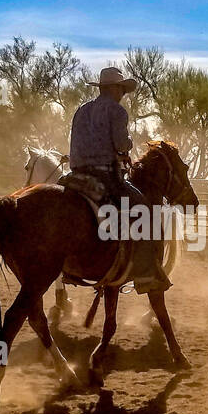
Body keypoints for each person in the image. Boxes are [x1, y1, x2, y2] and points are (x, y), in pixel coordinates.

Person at [68, 67, 172, 294]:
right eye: (122, 89)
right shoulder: (117, 112)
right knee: (144, 210)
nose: (123, 94)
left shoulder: (82, 110)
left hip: (75, 175)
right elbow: (121, 144)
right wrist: (129, 142)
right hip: (103, 174)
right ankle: (145, 274)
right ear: (113, 88)